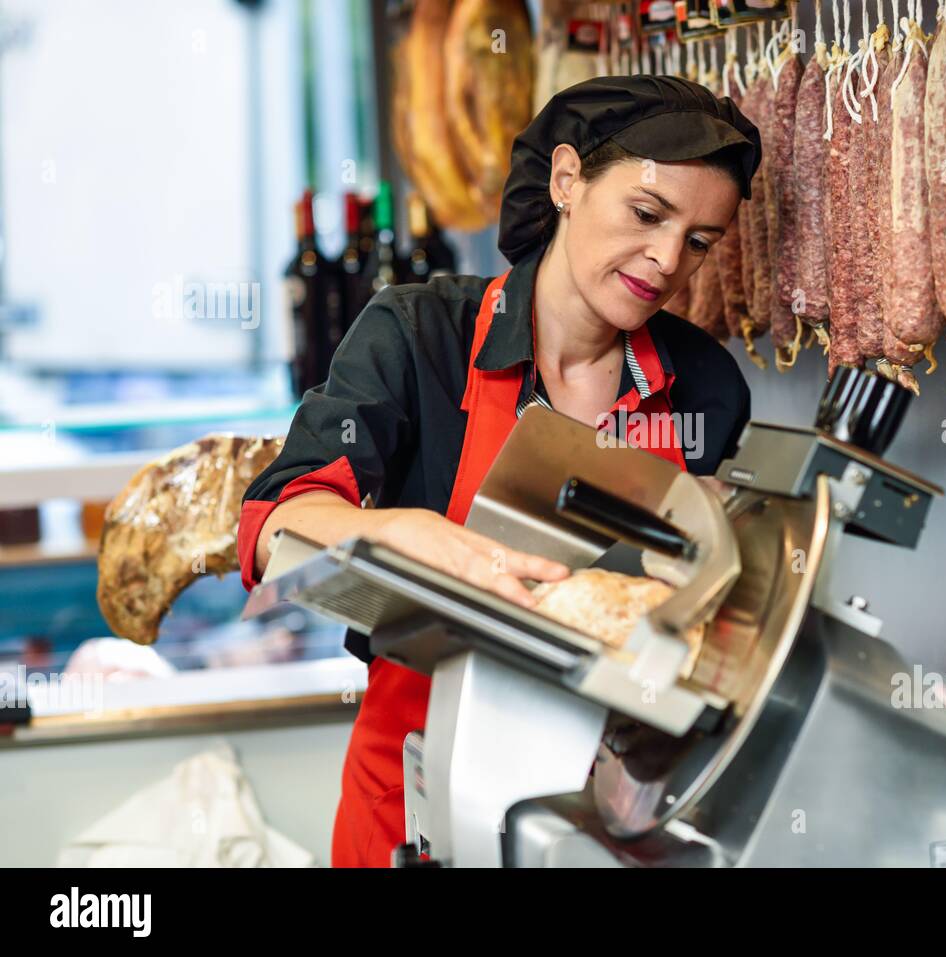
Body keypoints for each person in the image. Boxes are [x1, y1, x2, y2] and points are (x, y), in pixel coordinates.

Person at [237, 75, 762, 867]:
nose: (665, 260)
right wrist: (403, 535)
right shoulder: (420, 337)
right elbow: (276, 523)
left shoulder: (707, 387)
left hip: (606, 818)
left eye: (698, 241)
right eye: (648, 215)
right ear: (566, 181)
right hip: (416, 802)